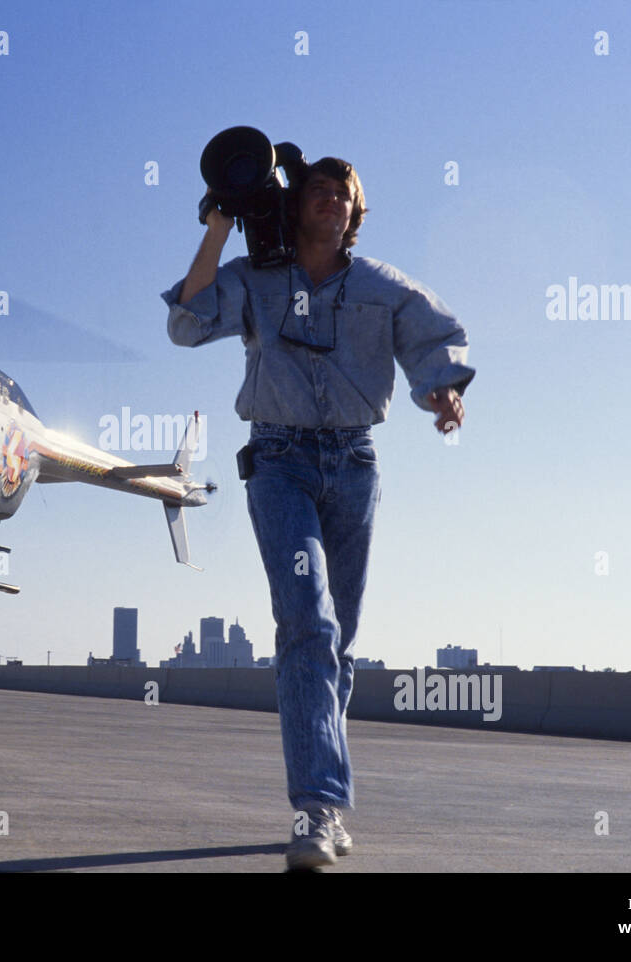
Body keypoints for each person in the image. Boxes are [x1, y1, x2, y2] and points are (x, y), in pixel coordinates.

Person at [161, 157, 475, 870]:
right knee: (307, 620)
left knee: (339, 639)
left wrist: (443, 391)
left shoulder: (382, 287)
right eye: (321, 190)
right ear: (297, 205)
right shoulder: (252, 277)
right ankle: (317, 810)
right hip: (278, 462)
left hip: (355, 465)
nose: (334, 199)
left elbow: (434, 340)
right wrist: (218, 226)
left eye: (346, 193)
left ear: (355, 212)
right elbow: (187, 323)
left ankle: (322, 796)